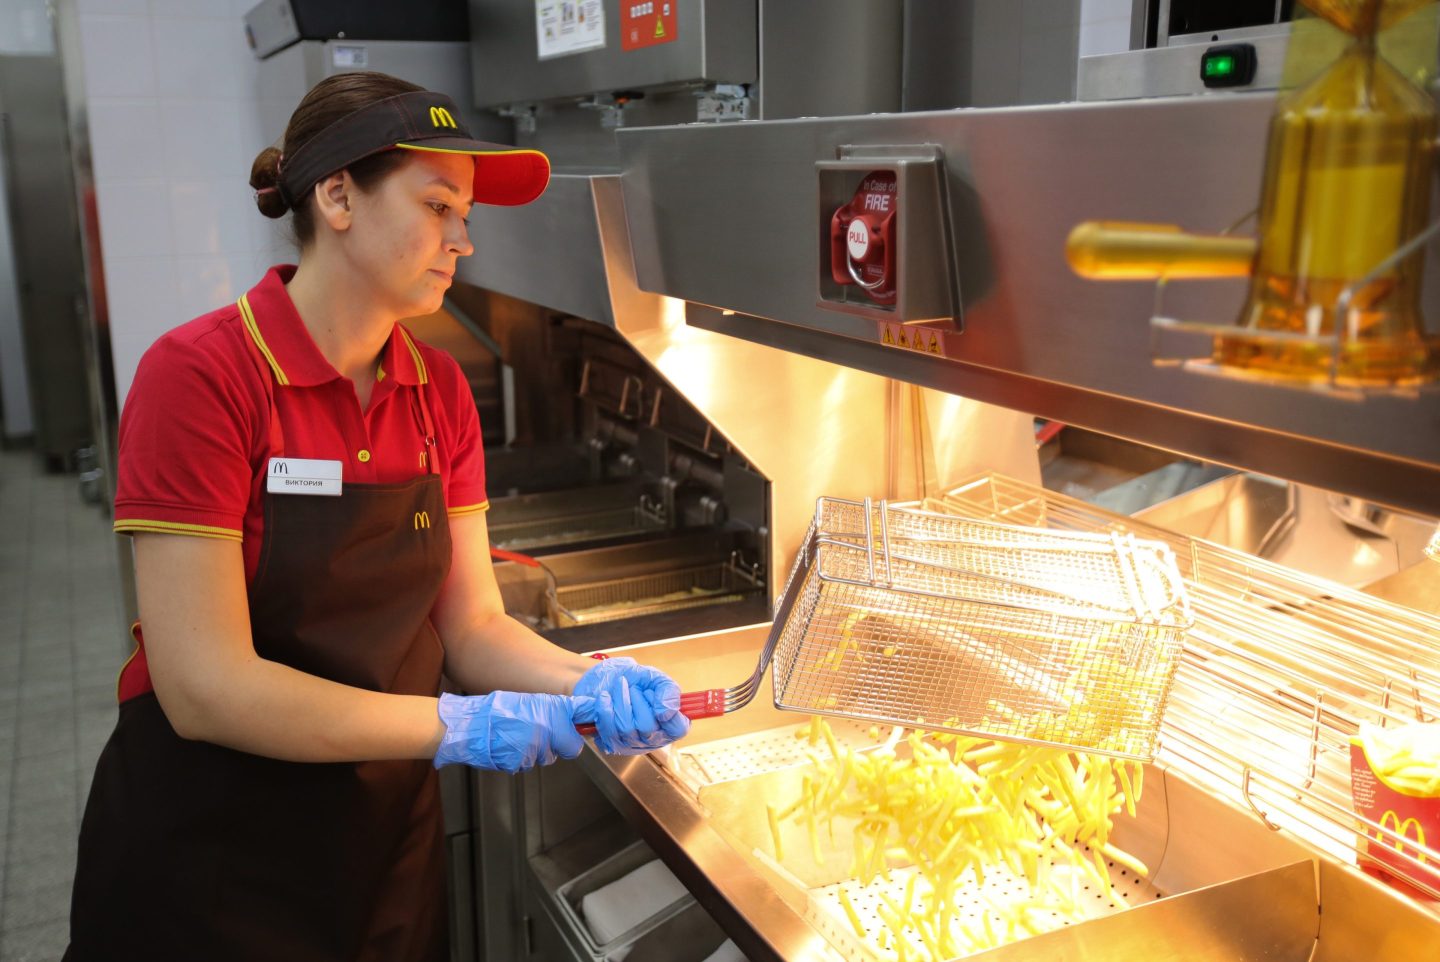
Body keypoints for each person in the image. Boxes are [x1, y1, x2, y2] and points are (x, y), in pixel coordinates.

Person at [64, 72, 689, 962]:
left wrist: (580, 680)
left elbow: (470, 624)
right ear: (336, 196)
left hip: (380, 845)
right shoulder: (203, 377)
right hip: (213, 856)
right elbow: (204, 687)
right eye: (438, 206)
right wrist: (461, 726)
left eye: (466, 214)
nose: (463, 240)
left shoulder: (438, 394)